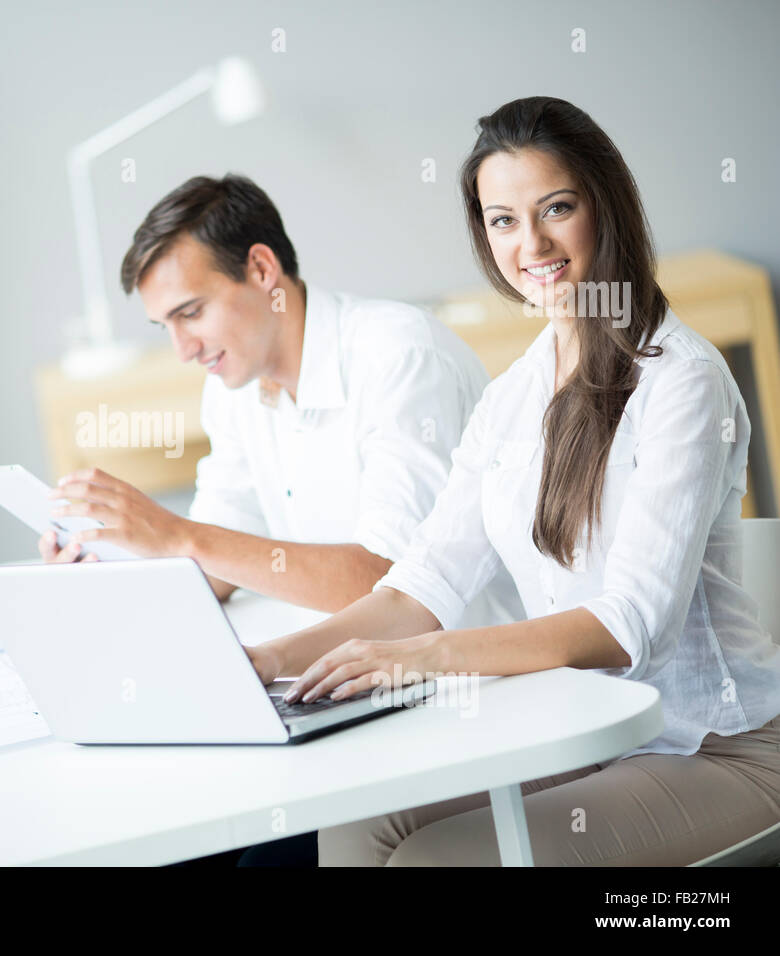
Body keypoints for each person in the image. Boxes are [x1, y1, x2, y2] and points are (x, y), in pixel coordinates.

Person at [247, 96, 780, 866]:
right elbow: (419, 585)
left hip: (710, 750)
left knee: (437, 862)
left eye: (555, 208)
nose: (530, 243)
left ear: (606, 206)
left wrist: (425, 659)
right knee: (356, 827)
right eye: (502, 219)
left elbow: (629, 626)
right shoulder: (513, 397)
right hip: (585, 731)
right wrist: (271, 661)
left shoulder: (682, 381)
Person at [41, 174, 521, 628]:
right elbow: (218, 562)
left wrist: (177, 534)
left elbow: (393, 587)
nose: (183, 349)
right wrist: (108, 565)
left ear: (261, 269)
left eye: (191, 313)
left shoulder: (401, 355)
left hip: (475, 675)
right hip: (353, 666)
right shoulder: (235, 385)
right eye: (165, 326)